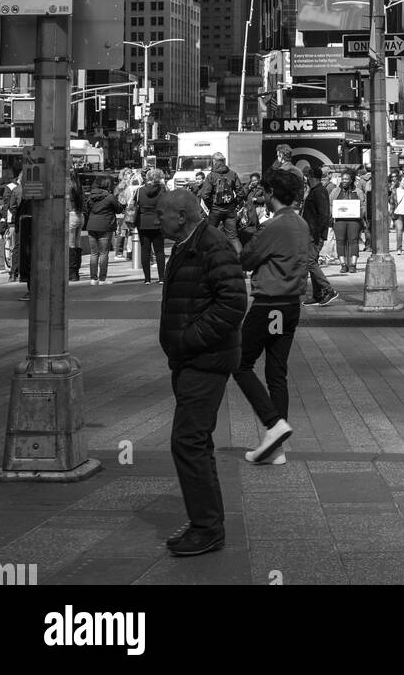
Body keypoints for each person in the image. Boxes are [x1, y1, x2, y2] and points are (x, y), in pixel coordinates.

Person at [158, 186, 247, 557]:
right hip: (190, 359)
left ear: (182, 216)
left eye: (162, 213)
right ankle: (206, 523)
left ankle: (208, 527)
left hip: (205, 359)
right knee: (196, 441)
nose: (156, 218)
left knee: (188, 441)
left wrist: (190, 338)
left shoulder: (212, 245)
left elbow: (233, 303)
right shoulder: (187, 244)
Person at [233, 169, 313, 466]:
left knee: (239, 363)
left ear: (269, 193)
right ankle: (277, 447)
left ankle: (273, 425)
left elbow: (247, 259)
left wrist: (244, 237)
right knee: (276, 372)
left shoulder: (273, 225)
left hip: (269, 304)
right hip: (290, 305)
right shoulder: (300, 224)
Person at [302, 167, 338, 305]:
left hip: (314, 234)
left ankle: (328, 289)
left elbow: (324, 215)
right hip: (311, 233)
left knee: (310, 261)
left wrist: (317, 234)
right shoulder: (314, 191)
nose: (306, 180)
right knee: (313, 262)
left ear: (311, 177)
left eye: (307, 177)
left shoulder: (319, 192)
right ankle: (318, 294)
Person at [200, 153, 244, 258]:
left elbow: (205, 195)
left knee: (209, 235)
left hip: (215, 210)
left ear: (214, 162)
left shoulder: (211, 176)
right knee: (233, 237)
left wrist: (211, 206)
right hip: (230, 210)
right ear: (224, 161)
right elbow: (241, 193)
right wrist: (234, 204)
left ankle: (209, 259)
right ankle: (240, 261)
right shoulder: (232, 174)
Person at [83, 174, 120, 285]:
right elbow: (118, 209)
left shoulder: (91, 196)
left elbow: (87, 209)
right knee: (104, 253)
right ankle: (102, 279)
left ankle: (93, 279)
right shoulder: (109, 197)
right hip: (105, 226)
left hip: (92, 225)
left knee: (94, 254)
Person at [135, 167, 168, 285]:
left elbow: (134, 204)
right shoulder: (163, 190)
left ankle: (147, 279)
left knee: (145, 251)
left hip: (143, 222)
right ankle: (161, 278)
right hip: (158, 222)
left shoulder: (139, 190)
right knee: (159, 251)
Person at [332, 170, 362, 275]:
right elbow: (330, 204)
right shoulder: (336, 191)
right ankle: (343, 265)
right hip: (339, 221)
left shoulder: (358, 191)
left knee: (354, 241)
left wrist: (360, 213)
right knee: (340, 241)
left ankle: (353, 264)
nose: (344, 181)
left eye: (346, 179)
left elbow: (363, 205)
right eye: (343, 179)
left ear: (351, 180)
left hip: (354, 220)